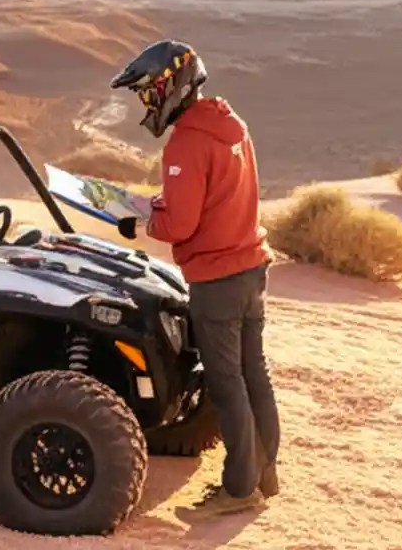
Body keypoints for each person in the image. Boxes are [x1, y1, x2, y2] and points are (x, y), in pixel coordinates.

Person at [111, 39, 280, 518]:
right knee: (254, 375)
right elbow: (215, 197)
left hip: (218, 278)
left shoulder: (185, 142)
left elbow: (181, 226)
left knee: (226, 384)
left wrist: (144, 220)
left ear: (170, 88)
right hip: (250, 268)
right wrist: (163, 205)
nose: (146, 104)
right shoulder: (229, 124)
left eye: (148, 94)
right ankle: (266, 476)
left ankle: (239, 488)